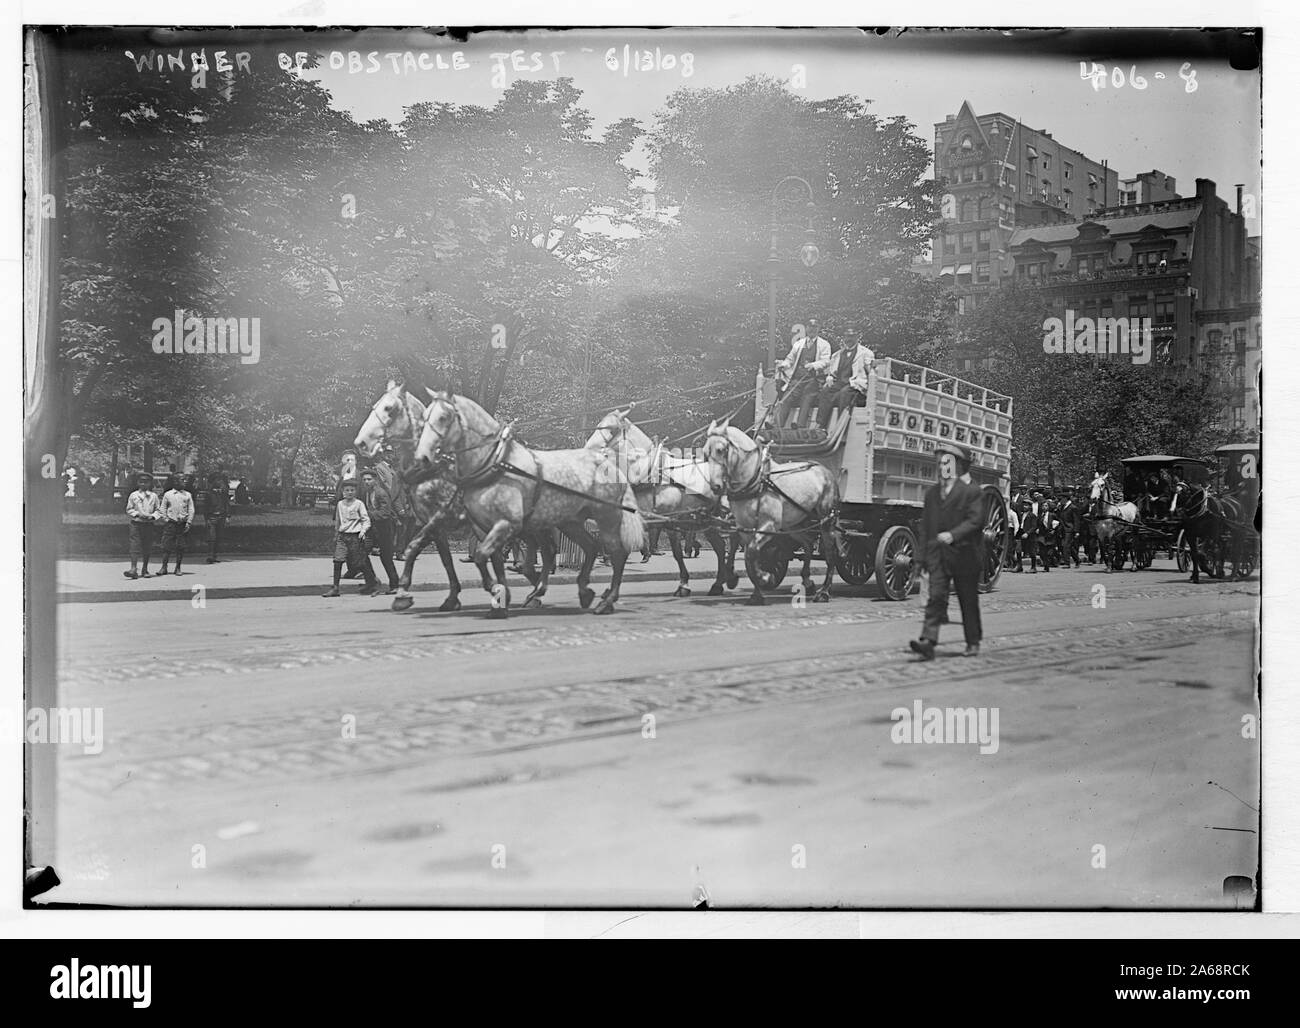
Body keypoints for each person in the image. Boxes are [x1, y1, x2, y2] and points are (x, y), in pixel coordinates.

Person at [909, 442, 985, 660]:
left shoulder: (973, 492)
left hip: (965, 555)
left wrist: (953, 534)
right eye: (940, 463)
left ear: (960, 465)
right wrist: (920, 558)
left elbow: (976, 521)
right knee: (936, 597)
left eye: (947, 462)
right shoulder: (932, 493)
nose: (942, 467)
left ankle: (973, 641)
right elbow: (926, 527)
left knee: (968, 601)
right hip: (939, 557)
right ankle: (928, 641)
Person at [323, 479, 379, 597]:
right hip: (343, 537)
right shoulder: (340, 504)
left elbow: (366, 520)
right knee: (338, 561)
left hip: (355, 536)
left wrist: (363, 531)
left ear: (356, 491)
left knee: (360, 562)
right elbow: (338, 521)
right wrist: (336, 533)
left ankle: (372, 584)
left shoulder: (359, 504)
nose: (349, 492)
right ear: (343, 491)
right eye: (347, 490)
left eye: (352, 490)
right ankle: (335, 588)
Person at [774, 318, 832, 429]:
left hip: (813, 380)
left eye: (815, 327)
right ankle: (777, 426)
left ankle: (800, 426)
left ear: (818, 329)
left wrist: (813, 365)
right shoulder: (798, 344)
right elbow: (790, 359)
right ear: (806, 328)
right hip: (797, 380)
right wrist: (784, 365)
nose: (812, 330)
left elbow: (826, 361)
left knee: (807, 397)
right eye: (810, 327)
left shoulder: (824, 345)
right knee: (787, 397)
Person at [815, 328, 874, 428]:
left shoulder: (865, 353)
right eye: (847, 336)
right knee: (826, 391)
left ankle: (841, 426)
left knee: (844, 393)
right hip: (840, 383)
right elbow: (832, 372)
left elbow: (871, 371)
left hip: (856, 384)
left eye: (852, 336)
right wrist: (829, 377)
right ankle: (821, 425)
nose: (849, 339)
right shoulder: (837, 354)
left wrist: (869, 385)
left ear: (857, 337)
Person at [360, 468, 401, 594]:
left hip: (385, 529)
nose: (366, 482)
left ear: (375, 480)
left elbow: (385, 513)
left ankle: (395, 585)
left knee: (386, 558)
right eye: (364, 480)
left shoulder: (381, 493)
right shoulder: (367, 492)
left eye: (369, 479)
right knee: (360, 554)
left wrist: (366, 514)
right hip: (372, 529)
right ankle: (371, 581)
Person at [123, 472, 162, 579]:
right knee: (134, 546)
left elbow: (158, 510)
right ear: (137, 483)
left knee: (147, 546)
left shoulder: (154, 496)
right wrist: (137, 514)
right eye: (141, 481)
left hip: (148, 524)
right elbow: (129, 509)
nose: (143, 484)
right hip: (136, 523)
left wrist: (153, 516)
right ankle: (133, 568)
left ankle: (145, 568)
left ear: (150, 483)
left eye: (146, 482)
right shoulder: (134, 495)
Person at [157, 475, 195, 575]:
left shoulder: (187, 495)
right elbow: (163, 508)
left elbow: (191, 509)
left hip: (182, 524)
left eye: (185, 479)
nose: (185, 481)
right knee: (166, 546)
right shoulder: (168, 494)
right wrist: (166, 519)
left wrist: (188, 522)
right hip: (171, 524)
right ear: (175, 481)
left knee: (180, 546)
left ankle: (178, 567)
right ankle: (164, 567)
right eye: (182, 480)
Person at [203, 470, 231, 563]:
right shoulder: (208, 494)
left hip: (221, 516)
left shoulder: (223, 493)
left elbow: (226, 504)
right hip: (212, 517)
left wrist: (227, 516)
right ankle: (210, 556)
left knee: (219, 537)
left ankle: (215, 555)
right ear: (213, 481)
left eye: (220, 480)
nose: (219, 482)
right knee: (211, 537)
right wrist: (206, 519)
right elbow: (205, 507)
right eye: (217, 480)